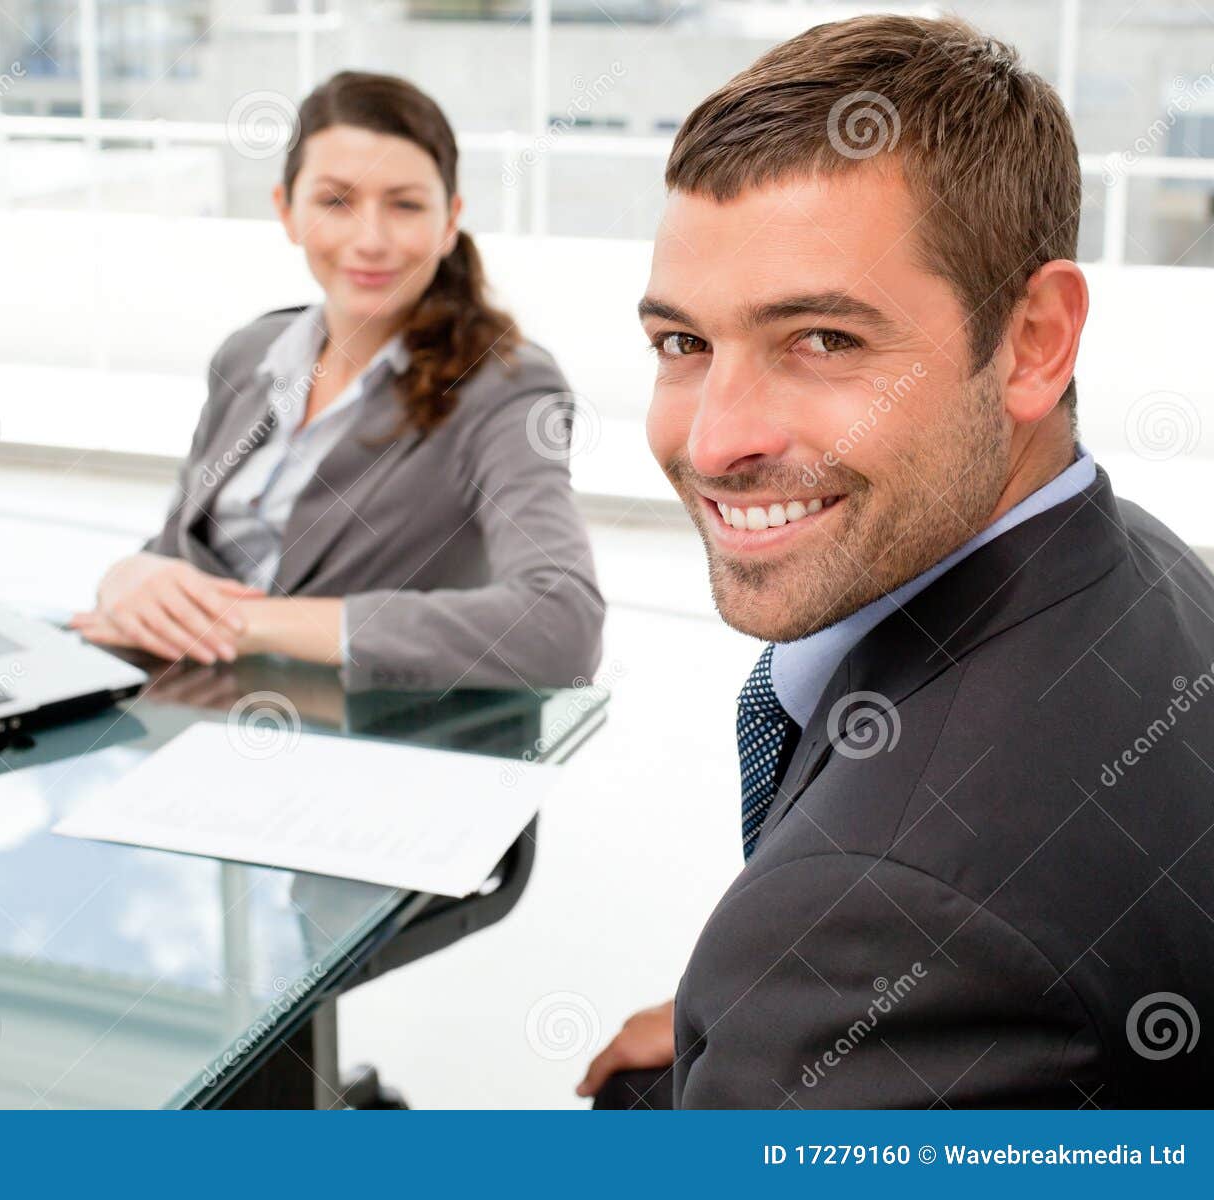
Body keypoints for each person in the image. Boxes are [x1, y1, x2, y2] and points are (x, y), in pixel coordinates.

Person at [582, 13, 1214, 1107]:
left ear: (1032, 341)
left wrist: (792, 1018)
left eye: (821, 340)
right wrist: (748, 1026)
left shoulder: (891, 920)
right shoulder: (1144, 566)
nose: (711, 441)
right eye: (683, 344)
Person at [72, 71, 603, 693]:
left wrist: (250, 624)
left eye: (405, 205)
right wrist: (127, 574)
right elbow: (181, 550)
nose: (370, 239)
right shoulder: (250, 355)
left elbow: (560, 628)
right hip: (181, 700)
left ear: (449, 220)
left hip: (364, 740)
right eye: (335, 201)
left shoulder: (506, 387)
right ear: (286, 211)